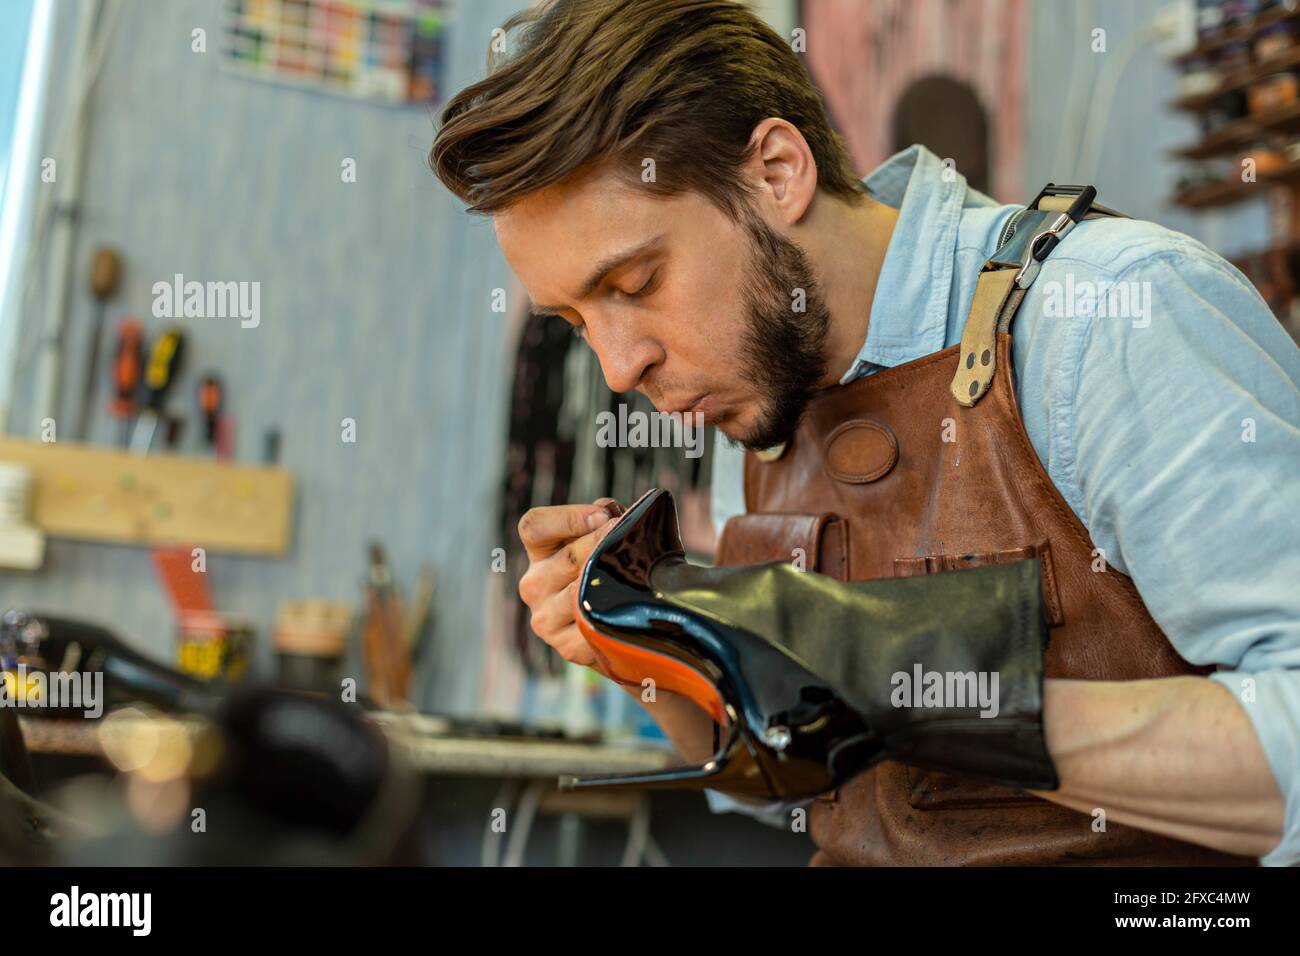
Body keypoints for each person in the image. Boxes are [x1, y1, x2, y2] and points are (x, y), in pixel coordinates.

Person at [430, 0, 1298, 865]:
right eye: (578, 320)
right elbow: (809, 794)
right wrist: (655, 650)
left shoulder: (1107, 317)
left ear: (776, 171)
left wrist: (920, 685)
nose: (618, 369)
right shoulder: (757, 391)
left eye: (635, 281)